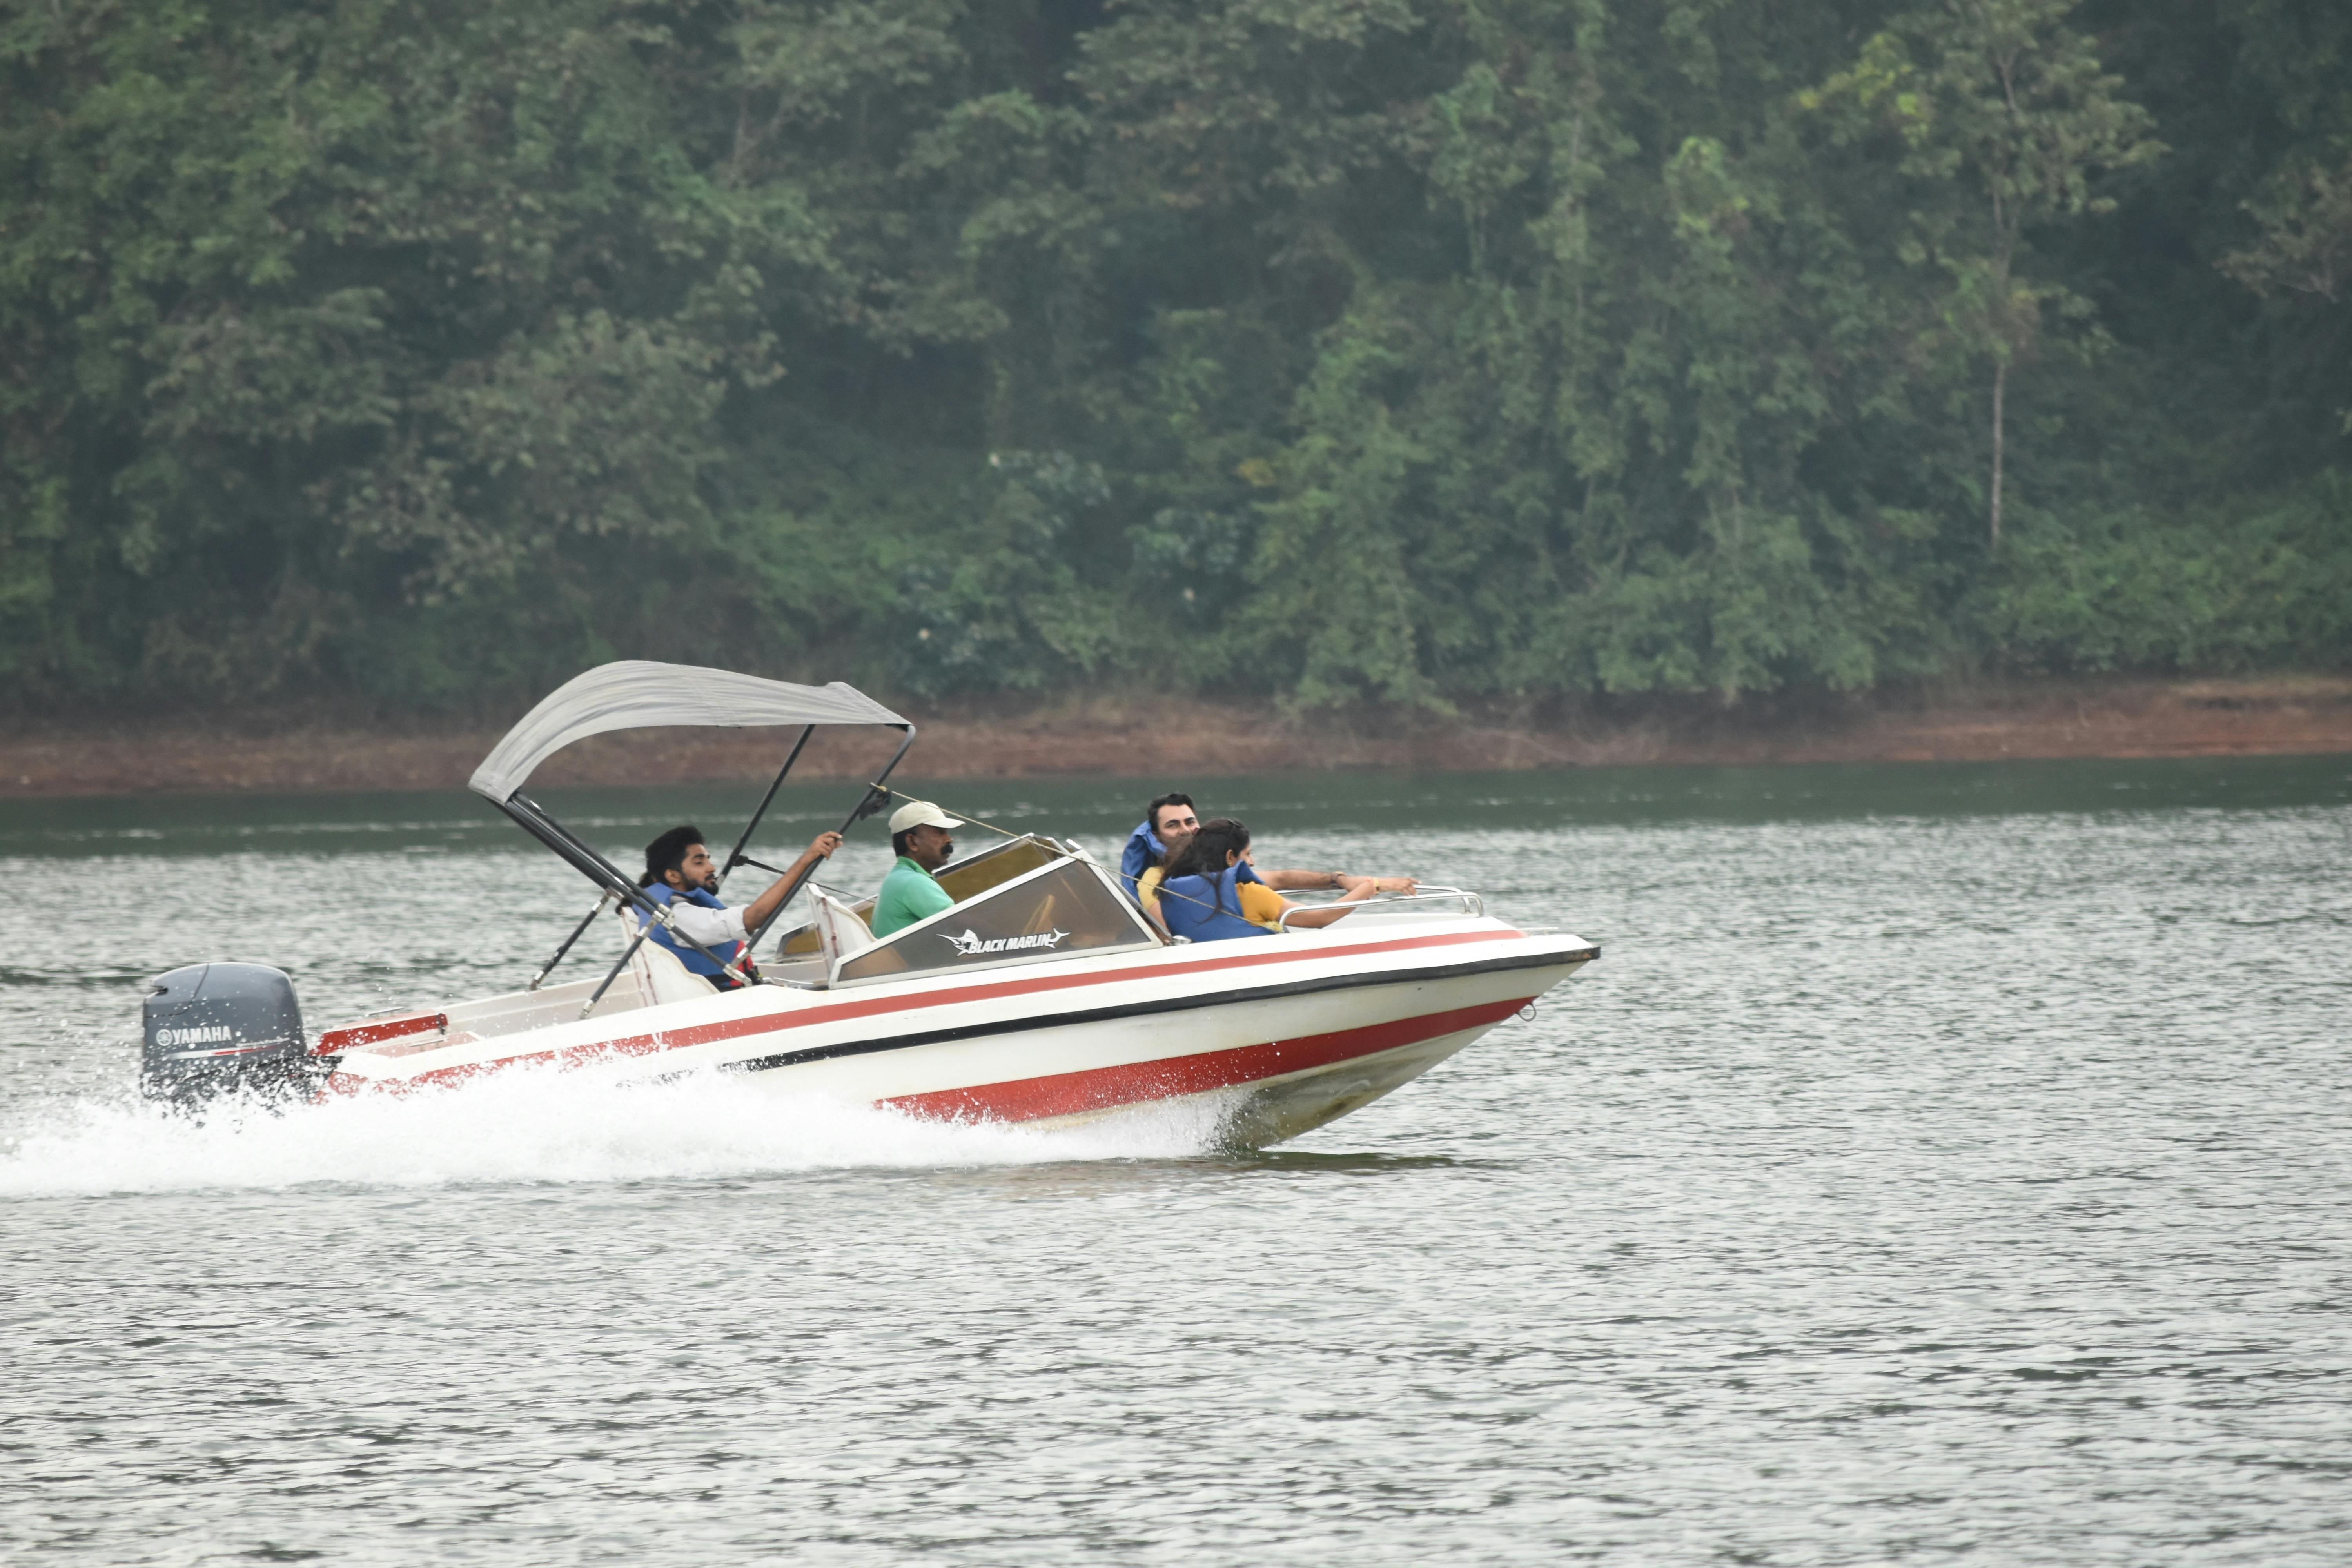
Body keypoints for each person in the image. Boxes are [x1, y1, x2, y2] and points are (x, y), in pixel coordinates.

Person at [1126, 794, 1416, 927]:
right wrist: (1370, 886)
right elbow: (1319, 919)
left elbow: (1281, 878)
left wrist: (1340, 880)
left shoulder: (1176, 886)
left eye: (1190, 822)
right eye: (1173, 825)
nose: (1186, 830)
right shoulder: (1155, 881)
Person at [637, 824, 844, 988]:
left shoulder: (661, 907)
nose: (712, 868)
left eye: (708, 860)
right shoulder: (679, 918)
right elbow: (753, 918)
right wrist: (807, 859)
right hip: (722, 1004)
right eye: (699, 863)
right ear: (673, 876)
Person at [1155, 819, 1376, 942]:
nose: (1252, 862)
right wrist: (1369, 887)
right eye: (1248, 854)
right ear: (1230, 857)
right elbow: (1319, 918)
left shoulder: (1173, 891)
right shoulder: (1249, 893)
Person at [871, 800, 960, 937]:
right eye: (939, 833)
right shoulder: (913, 882)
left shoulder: (900, 876)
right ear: (912, 842)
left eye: (946, 832)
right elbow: (962, 925)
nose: (949, 839)